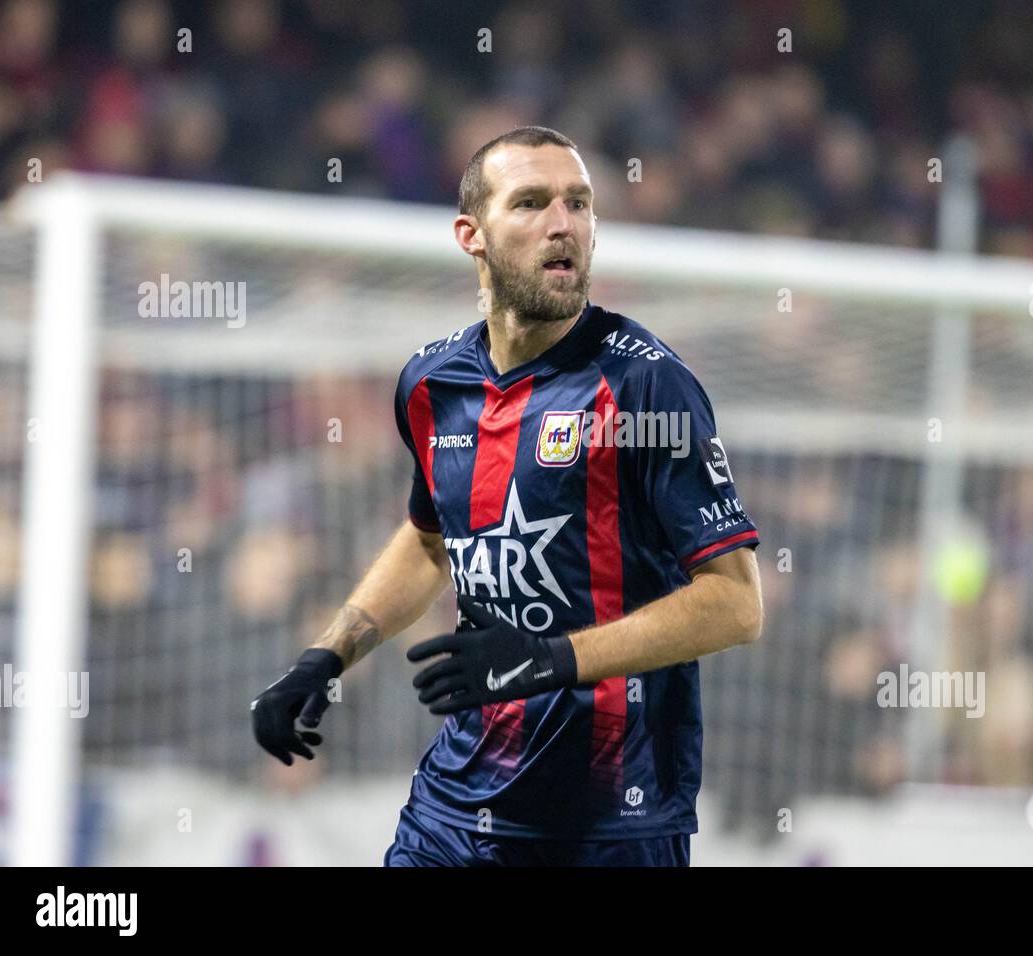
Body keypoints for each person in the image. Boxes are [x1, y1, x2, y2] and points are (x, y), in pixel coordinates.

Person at [252, 126, 763, 866]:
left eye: (579, 204)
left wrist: (553, 658)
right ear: (473, 235)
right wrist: (325, 658)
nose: (564, 225)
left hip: (612, 825)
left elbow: (736, 603)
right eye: (531, 203)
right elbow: (431, 538)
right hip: (455, 813)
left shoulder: (647, 385)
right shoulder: (432, 384)